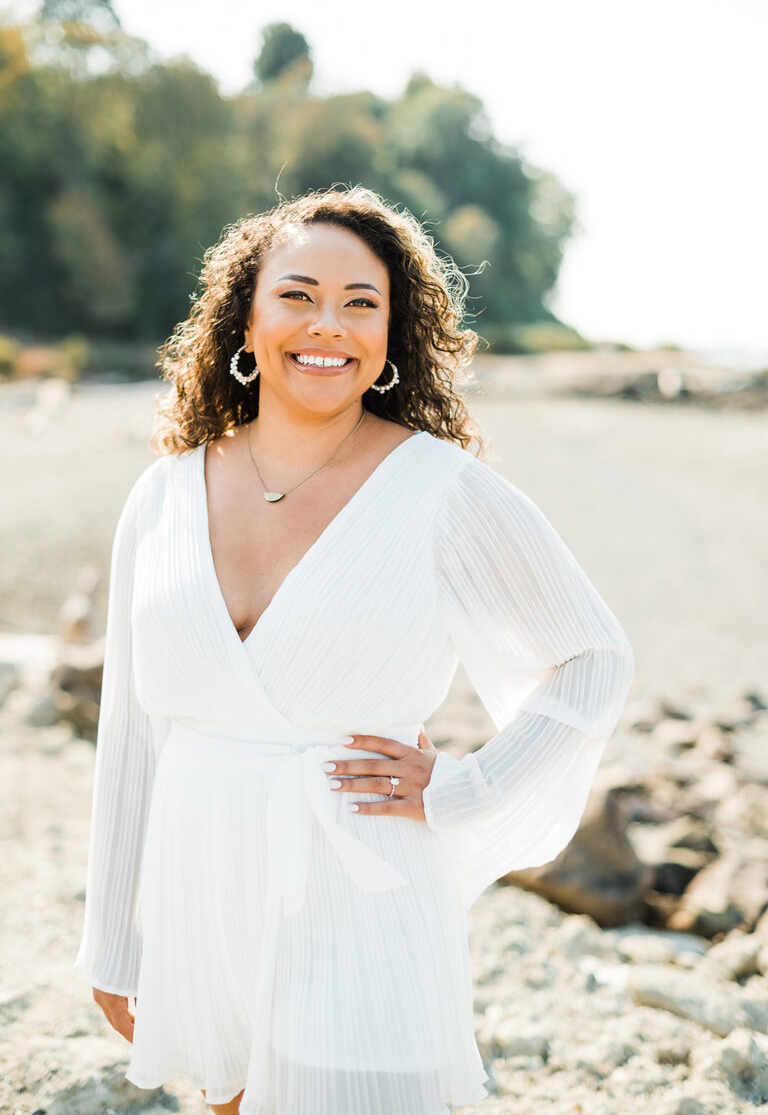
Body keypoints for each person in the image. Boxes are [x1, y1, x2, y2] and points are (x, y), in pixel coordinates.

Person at [73, 184, 634, 1115]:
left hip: (359, 883)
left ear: (391, 336)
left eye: (360, 302)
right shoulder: (163, 495)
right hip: (203, 889)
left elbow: (595, 656)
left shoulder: (441, 490)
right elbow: (129, 729)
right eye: (295, 294)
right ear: (244, 320)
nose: (325, 323)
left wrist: (470, 787)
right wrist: (111, 941)